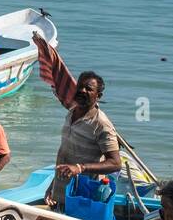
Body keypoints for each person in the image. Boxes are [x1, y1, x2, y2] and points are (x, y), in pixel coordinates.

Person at [45, 70, 121, 209]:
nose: (82, 90)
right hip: (61, 193)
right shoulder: (71, 112)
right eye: (80, 86)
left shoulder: (101, 124)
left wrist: (81, 167)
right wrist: (53, 186)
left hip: (83, 195)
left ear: (98, 96)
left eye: (88, 89)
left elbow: (115, 163)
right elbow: (64, 154)